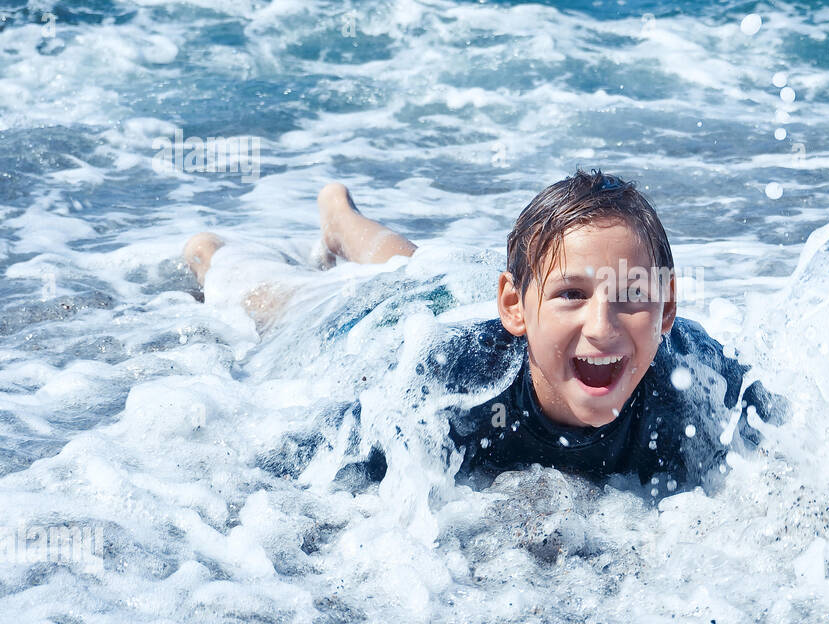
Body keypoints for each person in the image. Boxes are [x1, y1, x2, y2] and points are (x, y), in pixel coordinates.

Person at [183, 170, 785, 496]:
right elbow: (311, 466)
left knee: (420, 268)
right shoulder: (455, 384)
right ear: (516, 307)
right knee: (302, 300)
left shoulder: (700, 381)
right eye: (573, 294)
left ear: (667, 311)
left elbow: (801, 455)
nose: (603, 329)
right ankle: (223, 252)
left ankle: (341, 224)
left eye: (632, 298)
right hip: (391, 326)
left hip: (476, 297)